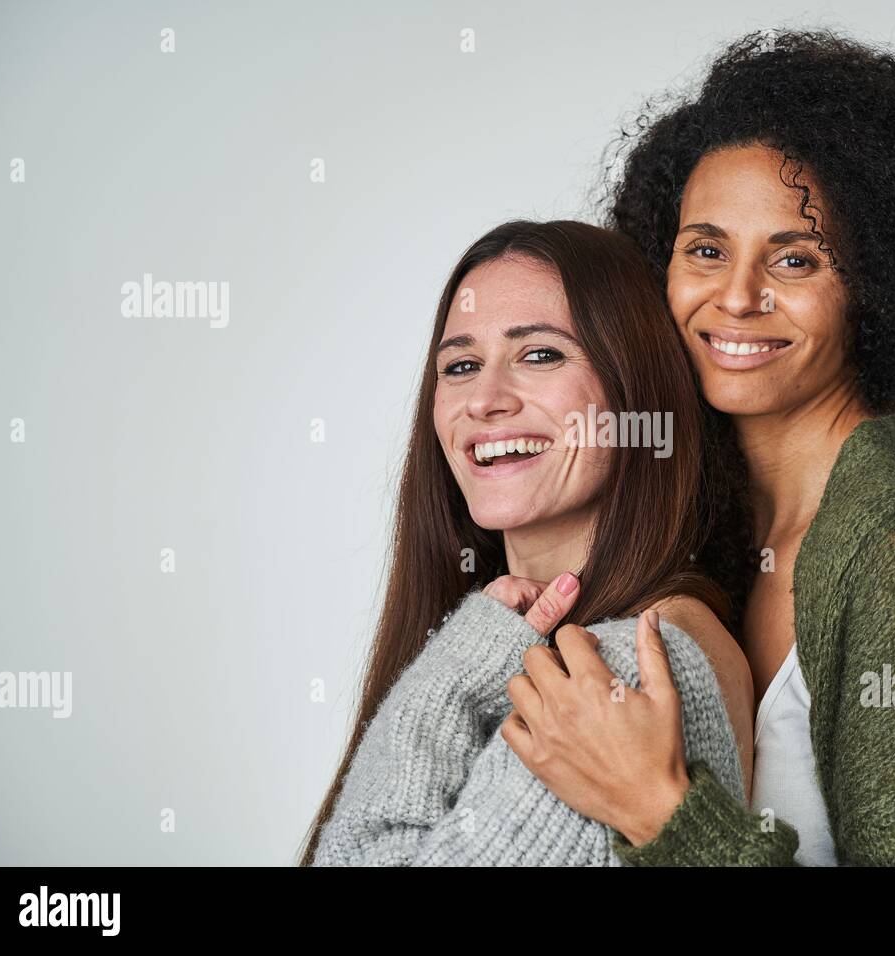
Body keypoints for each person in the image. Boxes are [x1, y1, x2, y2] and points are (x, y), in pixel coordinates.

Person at [501, 30, 895, 865]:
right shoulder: (718, 518)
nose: (736, 297)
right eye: (706, 250)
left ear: (880, 286)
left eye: (797, 260)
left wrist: (663, 814)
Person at [297, 220, 754, 866]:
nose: (483, 400)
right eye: (459, 366)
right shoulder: (562, 649)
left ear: (635, 391)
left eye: (540, 355)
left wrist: (447, 684)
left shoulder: (620, 667)